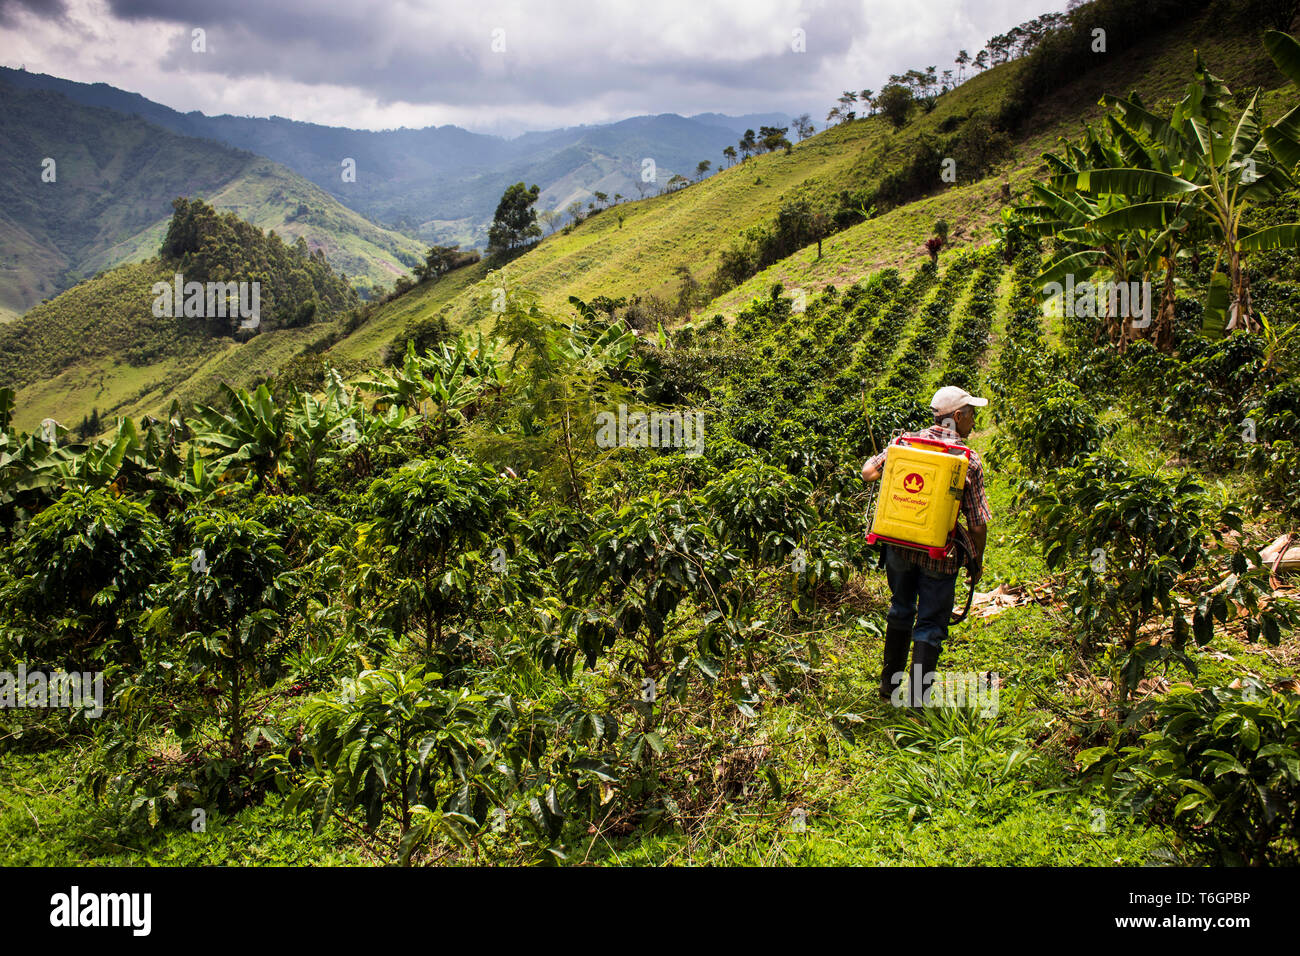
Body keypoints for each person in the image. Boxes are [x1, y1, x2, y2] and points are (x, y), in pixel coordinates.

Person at [861, 385, 991, 708]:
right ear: (956, 417)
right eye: (971, 415)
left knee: (901, 608)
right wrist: (977, 560)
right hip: (940, 556)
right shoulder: (967, 461)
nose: (973, 422)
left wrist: (889, 462)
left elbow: (867, 473)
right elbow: (976, 524)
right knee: (931, 624)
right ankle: (917, 702)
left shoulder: (903, 444)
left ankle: (889, 687)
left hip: (899, 549)